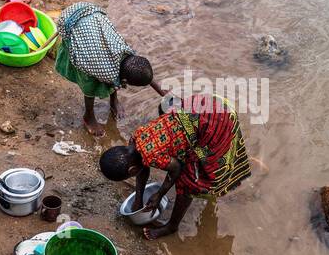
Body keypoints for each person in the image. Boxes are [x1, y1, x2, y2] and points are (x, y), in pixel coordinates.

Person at [99, 94, 250, 239]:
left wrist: (159, 194)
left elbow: (176, 167)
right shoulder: (136, 138)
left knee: (189, 182)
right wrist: (139, 199)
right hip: (206, 104)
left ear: (131, 170)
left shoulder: (152, 156)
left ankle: (172, 226)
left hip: (216, 121)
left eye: (131, 174)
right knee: (189, 162)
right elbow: (142, 168)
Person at [56, 2, 162, 136]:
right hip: (71, 22)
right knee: (90, 84)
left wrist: (161, 91)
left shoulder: (125, 52)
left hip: (88, 13)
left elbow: (141, 72)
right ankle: (88, 116)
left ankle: (114, 101)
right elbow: (111, 81)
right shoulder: (100, 68)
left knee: (112, 79)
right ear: (123, 80)